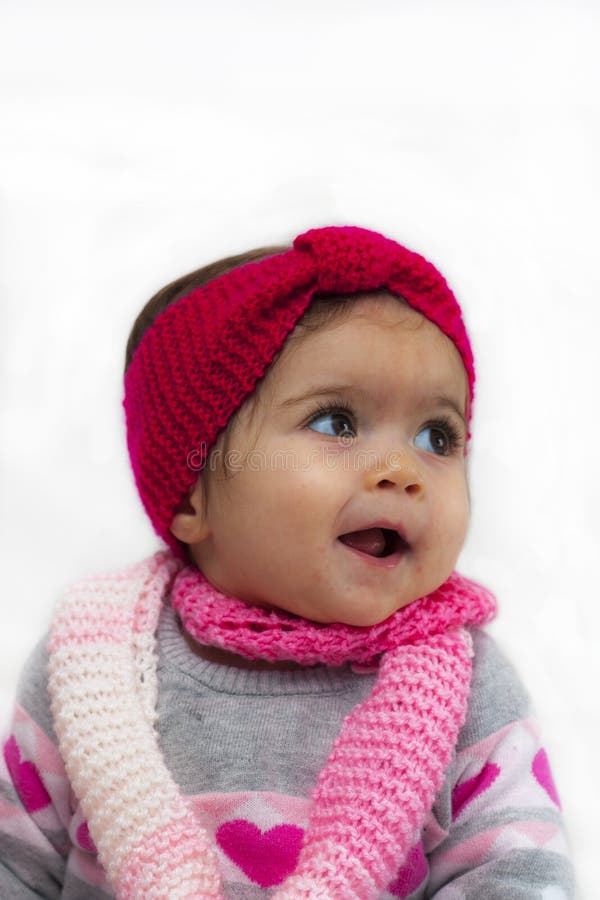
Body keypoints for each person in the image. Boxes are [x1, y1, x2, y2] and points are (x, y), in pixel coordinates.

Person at [0, 226, 574, 898]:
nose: (402, 470)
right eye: (337, 422)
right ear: (191, 492)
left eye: (435, 435)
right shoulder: (91, 672)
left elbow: (519, 874)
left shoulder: (470, 691)